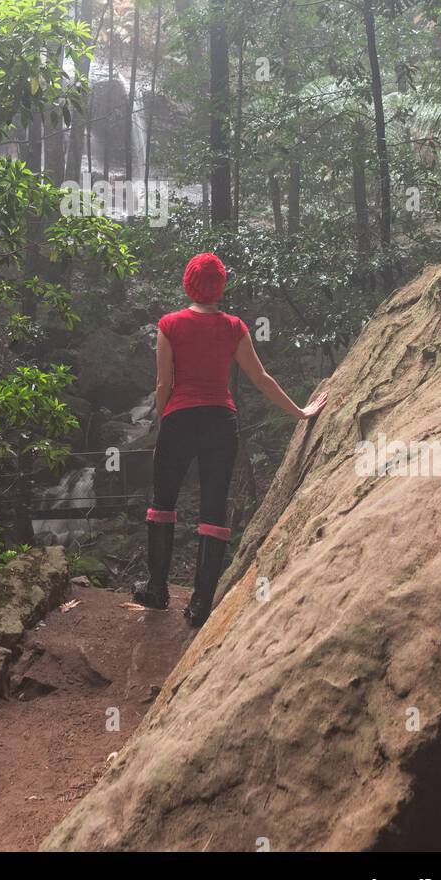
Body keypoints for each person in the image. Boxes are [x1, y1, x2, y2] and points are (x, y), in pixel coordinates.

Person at [132, 251, 328, 627]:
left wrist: (163, 425)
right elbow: (261, 377)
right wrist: (300, 412)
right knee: (213, 508)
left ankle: (157, 589)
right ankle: (200, 604)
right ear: (220, 286)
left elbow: (163, 384)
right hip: (221, 423)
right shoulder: (234, 327)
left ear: (187, 282)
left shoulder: (169, 324)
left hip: (180, 418)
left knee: (163, 501)